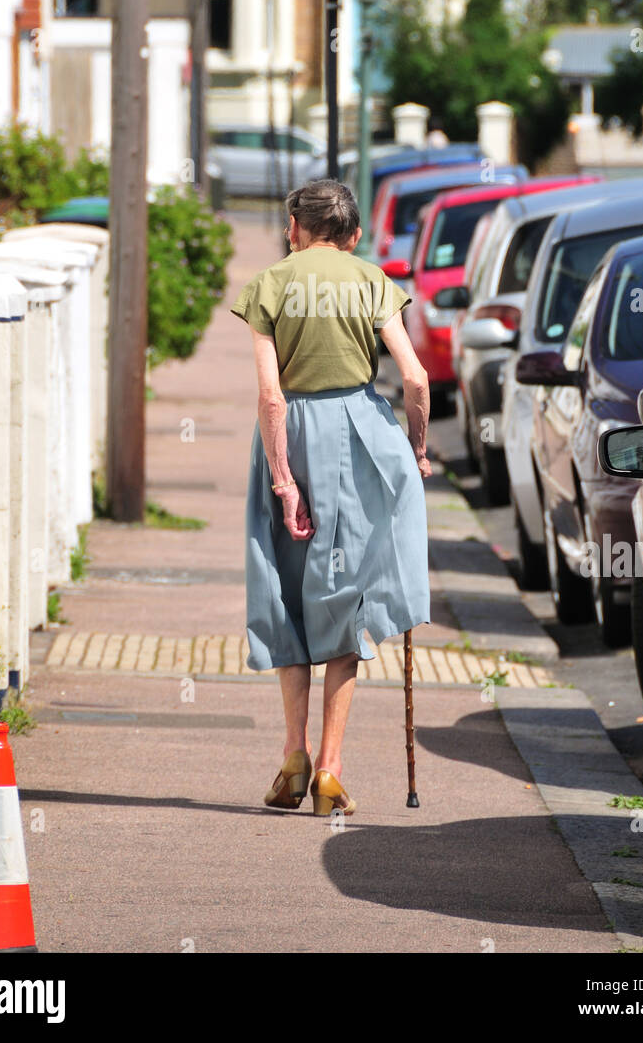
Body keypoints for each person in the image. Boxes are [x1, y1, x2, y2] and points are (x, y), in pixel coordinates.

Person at [231, 179, 432, 817]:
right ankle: (330, 770)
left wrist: (284, 480)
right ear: (349, 233)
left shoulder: (269, 285)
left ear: (296, 225)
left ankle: (292, 757)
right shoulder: (372, 281)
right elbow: (415, 378)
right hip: (360, 437)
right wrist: (419, 449)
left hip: (286, 434)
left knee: (288, 593)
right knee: (343, 598)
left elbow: (269, 395)